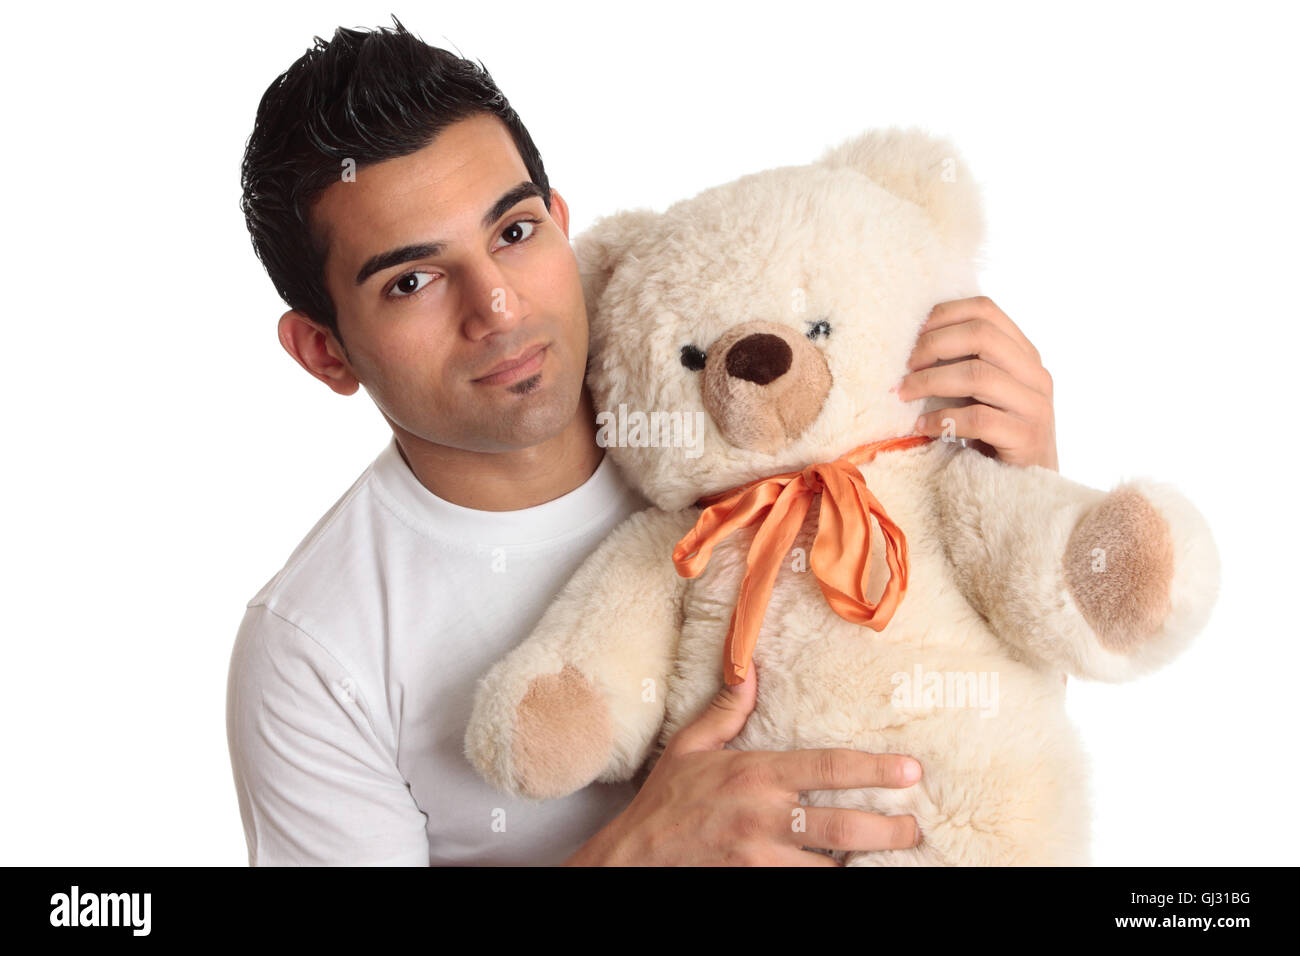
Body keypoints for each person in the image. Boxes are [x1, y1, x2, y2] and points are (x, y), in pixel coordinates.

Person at [227, 19, 1059, 866]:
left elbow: (999, 715)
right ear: (325, 352)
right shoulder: (313, 647)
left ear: (560, 223)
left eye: (513, 233)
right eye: (413, 280)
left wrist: (1027, 484)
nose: (498, 307)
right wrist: (629, 852)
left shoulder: (738, 411)